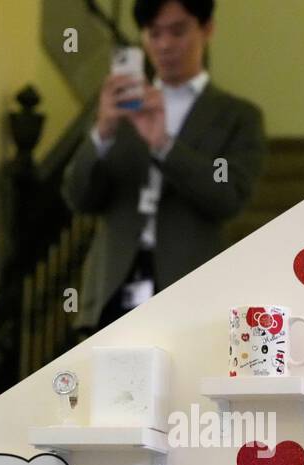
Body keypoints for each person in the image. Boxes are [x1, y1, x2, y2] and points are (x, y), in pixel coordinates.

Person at [62, 0, 266, 332]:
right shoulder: (119, 111)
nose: (165, 44)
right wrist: (102, 133)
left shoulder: (236, 117)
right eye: (154, 33)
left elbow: (229, 198)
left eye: (178, 30)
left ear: (207, 29)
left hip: (190, 293)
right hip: (111, 288)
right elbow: (78, 198)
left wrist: (163, 145)